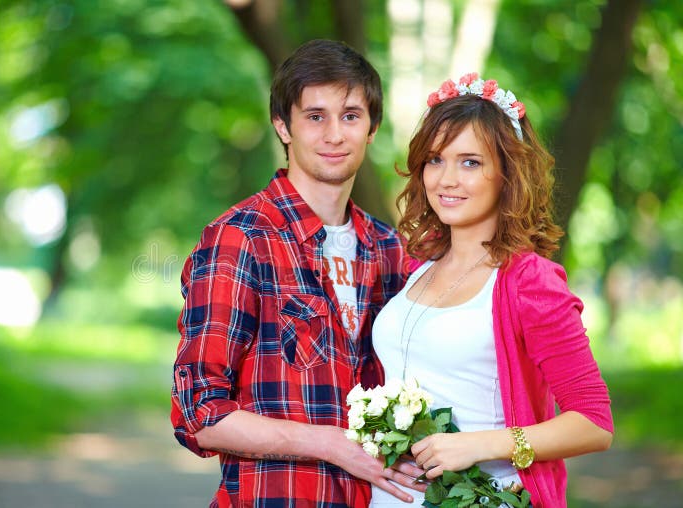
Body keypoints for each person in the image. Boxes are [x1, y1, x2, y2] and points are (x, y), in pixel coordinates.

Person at [171, 39, 417, 507]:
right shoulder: (240, 238)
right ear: (283, 126)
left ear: (372, 128)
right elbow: (199, 413)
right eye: (315, 116)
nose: (334, 135)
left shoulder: (389, 249)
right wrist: (332, 444)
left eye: (350, 116)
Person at [370, 73, 614, 507]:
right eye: (434, 159)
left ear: (506, 174)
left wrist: (481, 444)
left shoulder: (529, 281)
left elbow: (594, 423)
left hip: (484, 497)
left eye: (470, 162)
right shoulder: (415, 266)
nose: (446, 179)